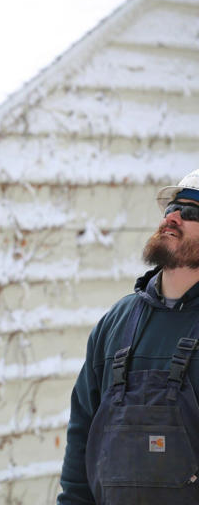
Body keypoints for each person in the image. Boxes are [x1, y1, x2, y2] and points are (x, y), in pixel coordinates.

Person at [58, 169, 199, 504]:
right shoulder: (116, 324)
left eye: (191, 212)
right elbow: (81, 438)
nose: (173, 217)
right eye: (170, 210)